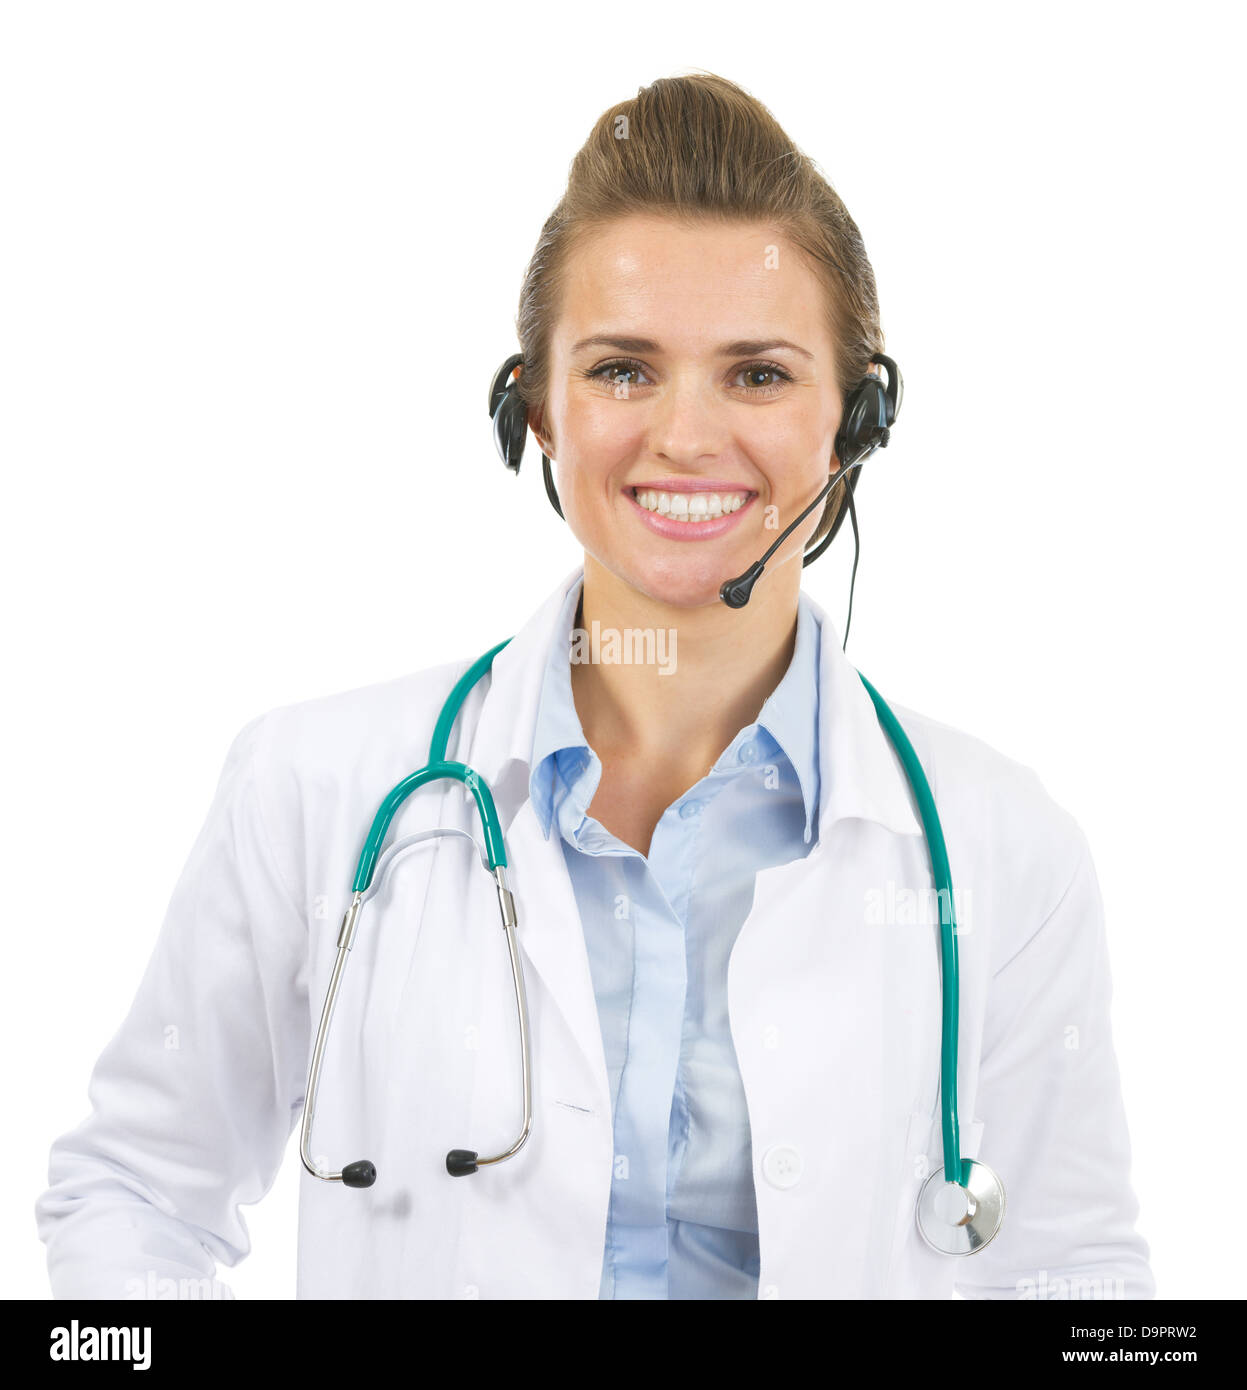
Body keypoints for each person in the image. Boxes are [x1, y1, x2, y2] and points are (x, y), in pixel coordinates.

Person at [35, 72, 1154, 1300]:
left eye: (759, 373)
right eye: (622, 369)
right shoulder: (314, 787)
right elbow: (135, 1194)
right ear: (533, 414)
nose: (685, 435)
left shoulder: (1004, 850)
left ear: (857, 420)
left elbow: (1075, 1280)